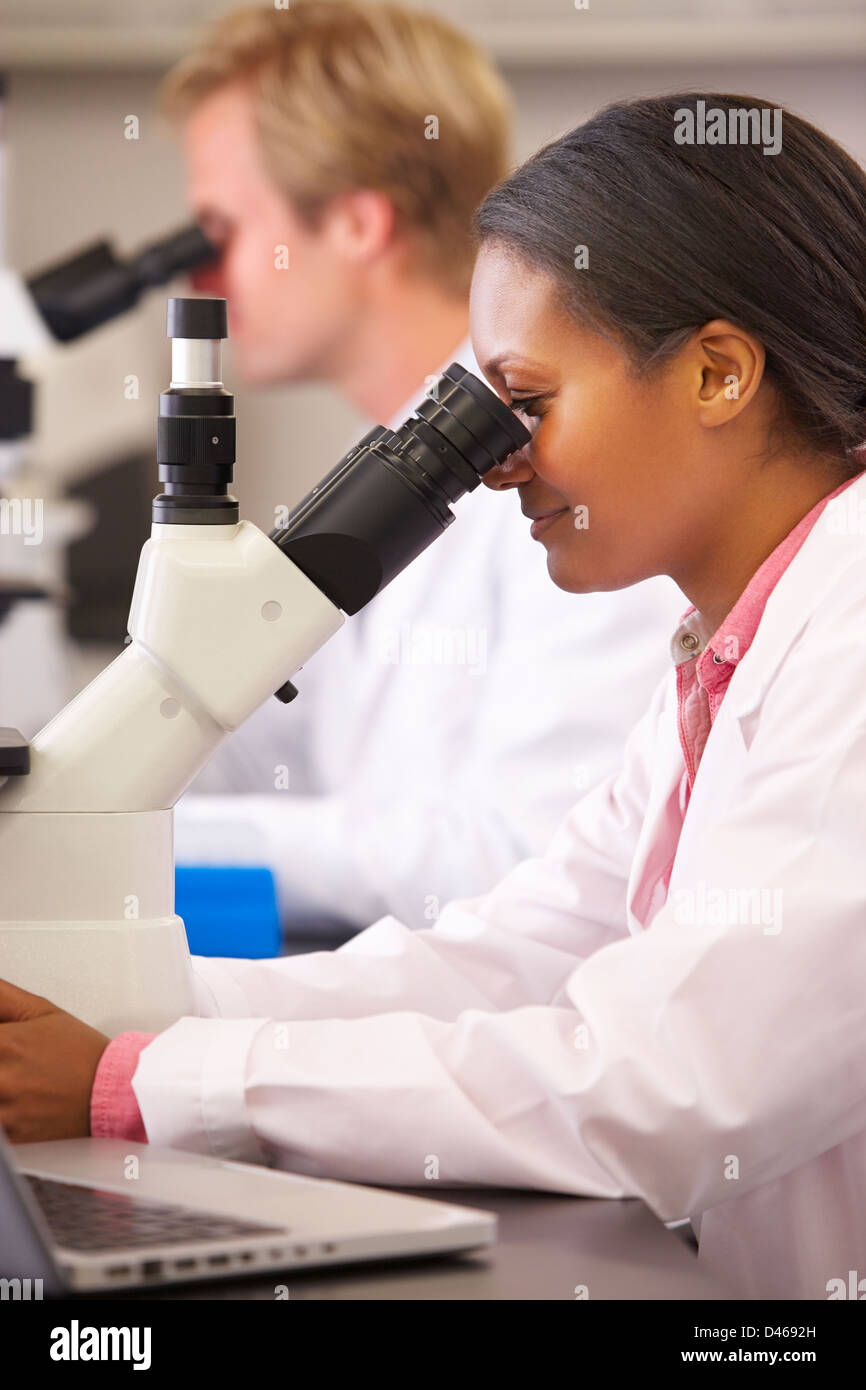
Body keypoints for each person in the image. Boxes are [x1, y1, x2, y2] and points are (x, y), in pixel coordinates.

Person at [3, 91, 865, 1302]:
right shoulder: (725, 647)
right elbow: (516, 950)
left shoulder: (849, 634)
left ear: (717, 372)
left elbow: (667, 1083)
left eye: (528, 401)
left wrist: (149, 1082)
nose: (498, 458)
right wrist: (122, 1010)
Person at [159, 1, 684, 934]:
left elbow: (528, 855)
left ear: (358, 223)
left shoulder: (557, 480)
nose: (199, 278)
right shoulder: (384, 461)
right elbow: (238, 739)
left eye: (217, 234)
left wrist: (145, 834)